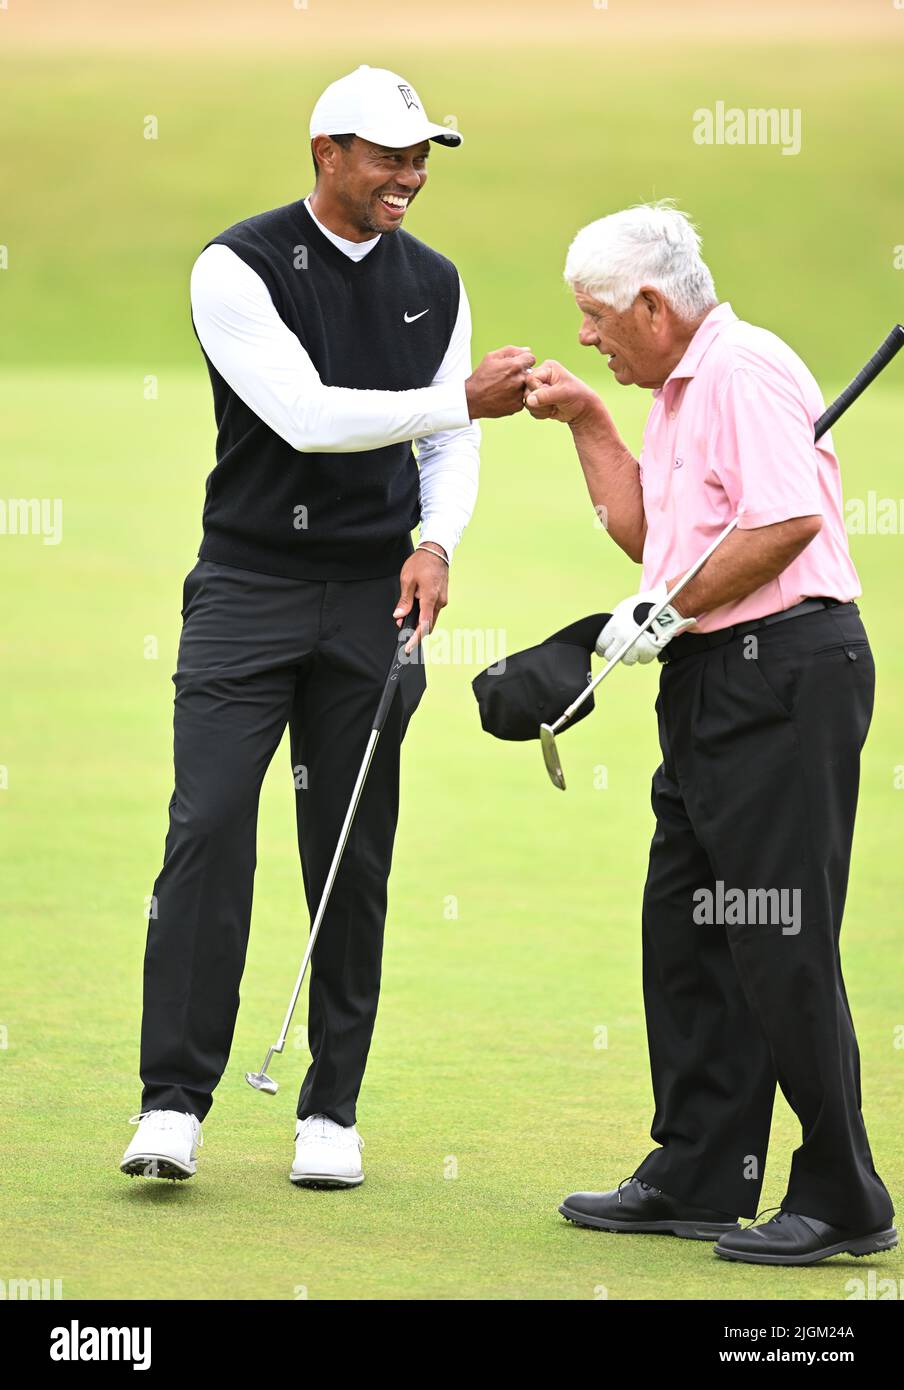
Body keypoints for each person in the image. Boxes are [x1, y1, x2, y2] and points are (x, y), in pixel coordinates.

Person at [121, 64, 534, 1189]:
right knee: (207, 826)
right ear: (326, 153)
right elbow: (305, 415)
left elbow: (450, 449)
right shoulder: (236, 265)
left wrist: (436, 540)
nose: (408, 176)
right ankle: (172, 1101)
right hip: (247, 585)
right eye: (388, 155)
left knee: (350, 845)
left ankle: (330, 1110)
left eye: (420, 157)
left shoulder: (434, 281)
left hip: (373, 595)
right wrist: (460, 399)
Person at [524, 202, 896, 1265]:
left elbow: (786, 522)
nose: (587, 335)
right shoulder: (677, 389)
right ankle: (700, 1167)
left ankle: (843, 1194)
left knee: (777, 935)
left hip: (781, 673)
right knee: (688, 930)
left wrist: (673, 612)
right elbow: (659, 542)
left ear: (652, 303)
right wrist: (592, 421)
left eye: (596, 318)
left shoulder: (741, 370)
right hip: (712, 680)